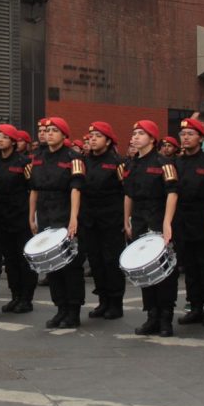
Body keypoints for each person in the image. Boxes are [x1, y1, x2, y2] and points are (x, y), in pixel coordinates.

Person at [123, 120, 179, 337]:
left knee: (164, 272)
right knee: (144, 269)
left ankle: (166, 318)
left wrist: (167, 222)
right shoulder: (130, 164)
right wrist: (126, 219)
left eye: (141, 133)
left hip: (158, 219)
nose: (135, 137)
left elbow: (172, 193)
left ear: (152, 138)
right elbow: (128, 194)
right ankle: (151, 316)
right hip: (139, 221)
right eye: (134, 133)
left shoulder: (164, 162)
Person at [29, 117, 86, 328]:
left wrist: (73, 219)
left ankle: (73, 310)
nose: (49, 133)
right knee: (51, 264)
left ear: (64, 135)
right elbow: (34, 188)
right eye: (47, 130)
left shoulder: (74, 157)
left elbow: (76, 189)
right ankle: (60, 308)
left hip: (64, 213)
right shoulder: (38, 157)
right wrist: (32, 215)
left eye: (54, 130)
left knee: (70, 265)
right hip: (45, 214)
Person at [172, 118, 204, 327]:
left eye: (190, 134)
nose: (185, 138)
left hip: (203, 220)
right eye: (183, 135)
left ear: (201, 138)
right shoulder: (176, 162)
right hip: (182, 220)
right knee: (189, 267)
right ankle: (195, 306)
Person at [79, 121, 125, 320]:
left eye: (98, 136)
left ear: (108, 141)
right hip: (89, 219)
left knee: (111, 261)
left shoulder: (117, 163)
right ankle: (102, 300)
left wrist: (125, 219)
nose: (93, 140)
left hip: (111, 219)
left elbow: (126, 191)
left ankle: (115, 303)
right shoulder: (83, 161)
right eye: (91, 136)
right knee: (96, 261)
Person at [0, 124, 34, 313]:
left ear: (13, 141)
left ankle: (26, 298)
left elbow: (32, 188)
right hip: (2, 216)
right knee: (9, 260)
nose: (0, 139)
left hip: (21, 216)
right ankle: (15, 295)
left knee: (22, 259)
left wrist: (32, 216)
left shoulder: (24, 162)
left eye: (4, 137)